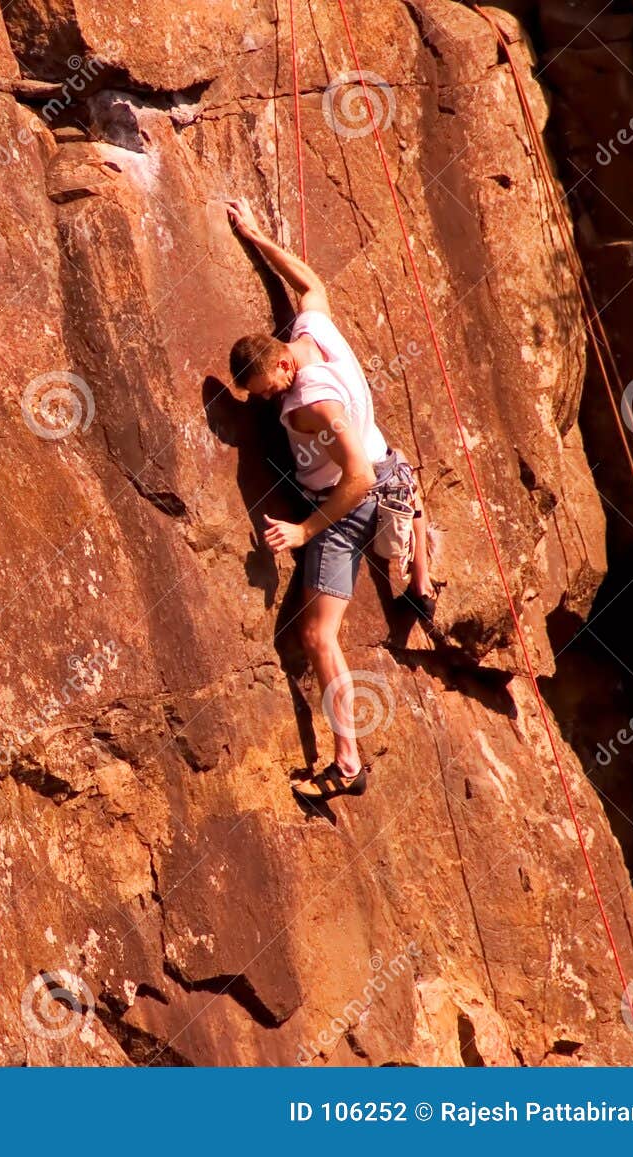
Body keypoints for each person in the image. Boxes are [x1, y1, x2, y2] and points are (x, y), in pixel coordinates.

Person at [223, 197, 438, 795]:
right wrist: (256, 235)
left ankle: (346, 763)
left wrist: (304, 531)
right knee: (396, 470)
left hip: (349, 503)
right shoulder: (312, 329)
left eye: (265, 390)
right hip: (388, 467)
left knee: (317, 637)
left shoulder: (306, 404)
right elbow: (308, 283)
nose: (267, 400)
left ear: (282, 369)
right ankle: (420, 585)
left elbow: (358, 480)